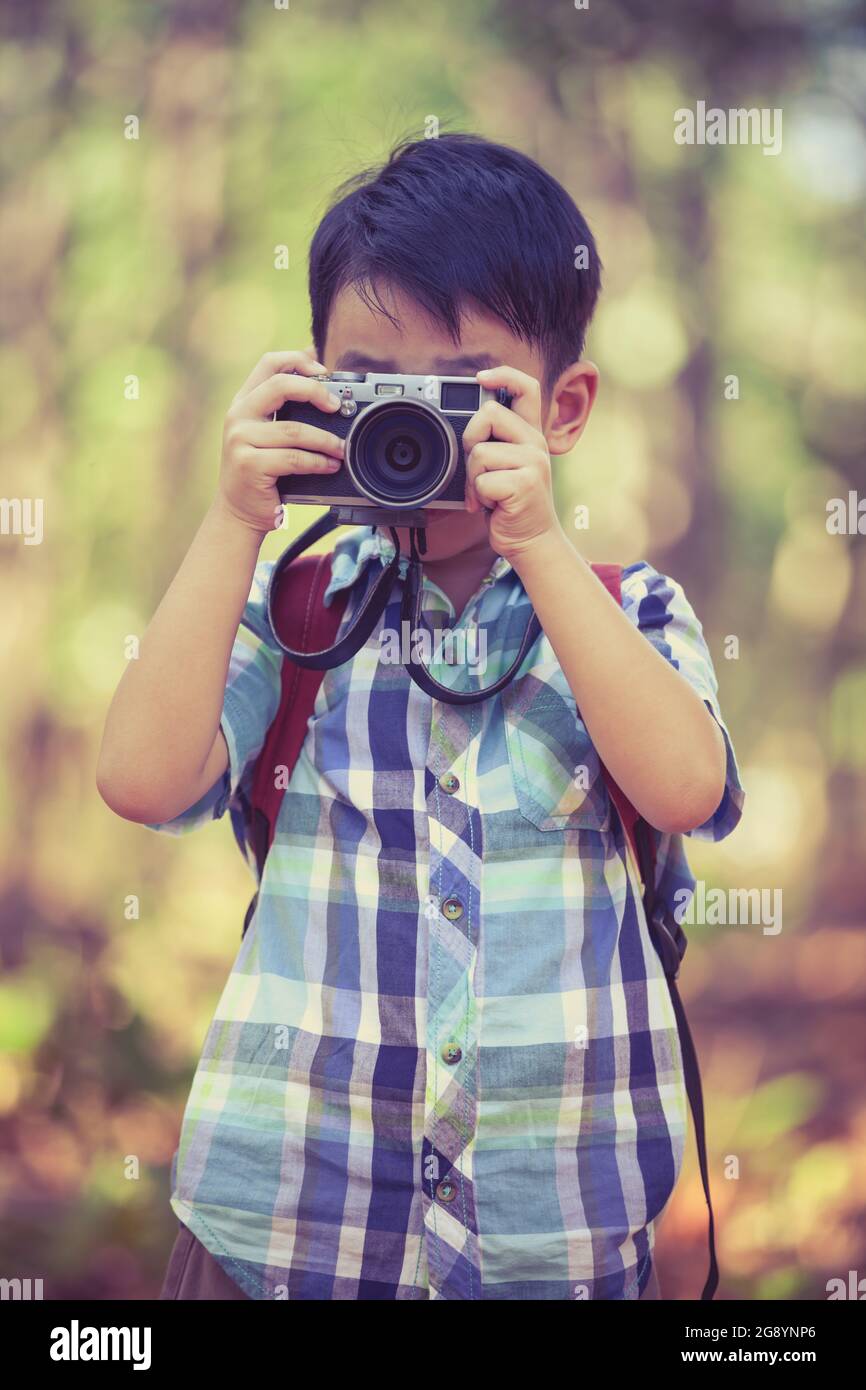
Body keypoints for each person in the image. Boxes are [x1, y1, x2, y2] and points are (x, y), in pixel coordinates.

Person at [97, 133, 744, 1300]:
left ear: (563, 409)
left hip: (546, 1248)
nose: (415, 432)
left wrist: (536, 542)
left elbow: (684, 788)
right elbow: (140, 778)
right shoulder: (290, 603)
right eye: (373, 389)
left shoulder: (624, 611)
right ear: (311, 390)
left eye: (468, 394)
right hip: (279, 1232)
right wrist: (234, 514)